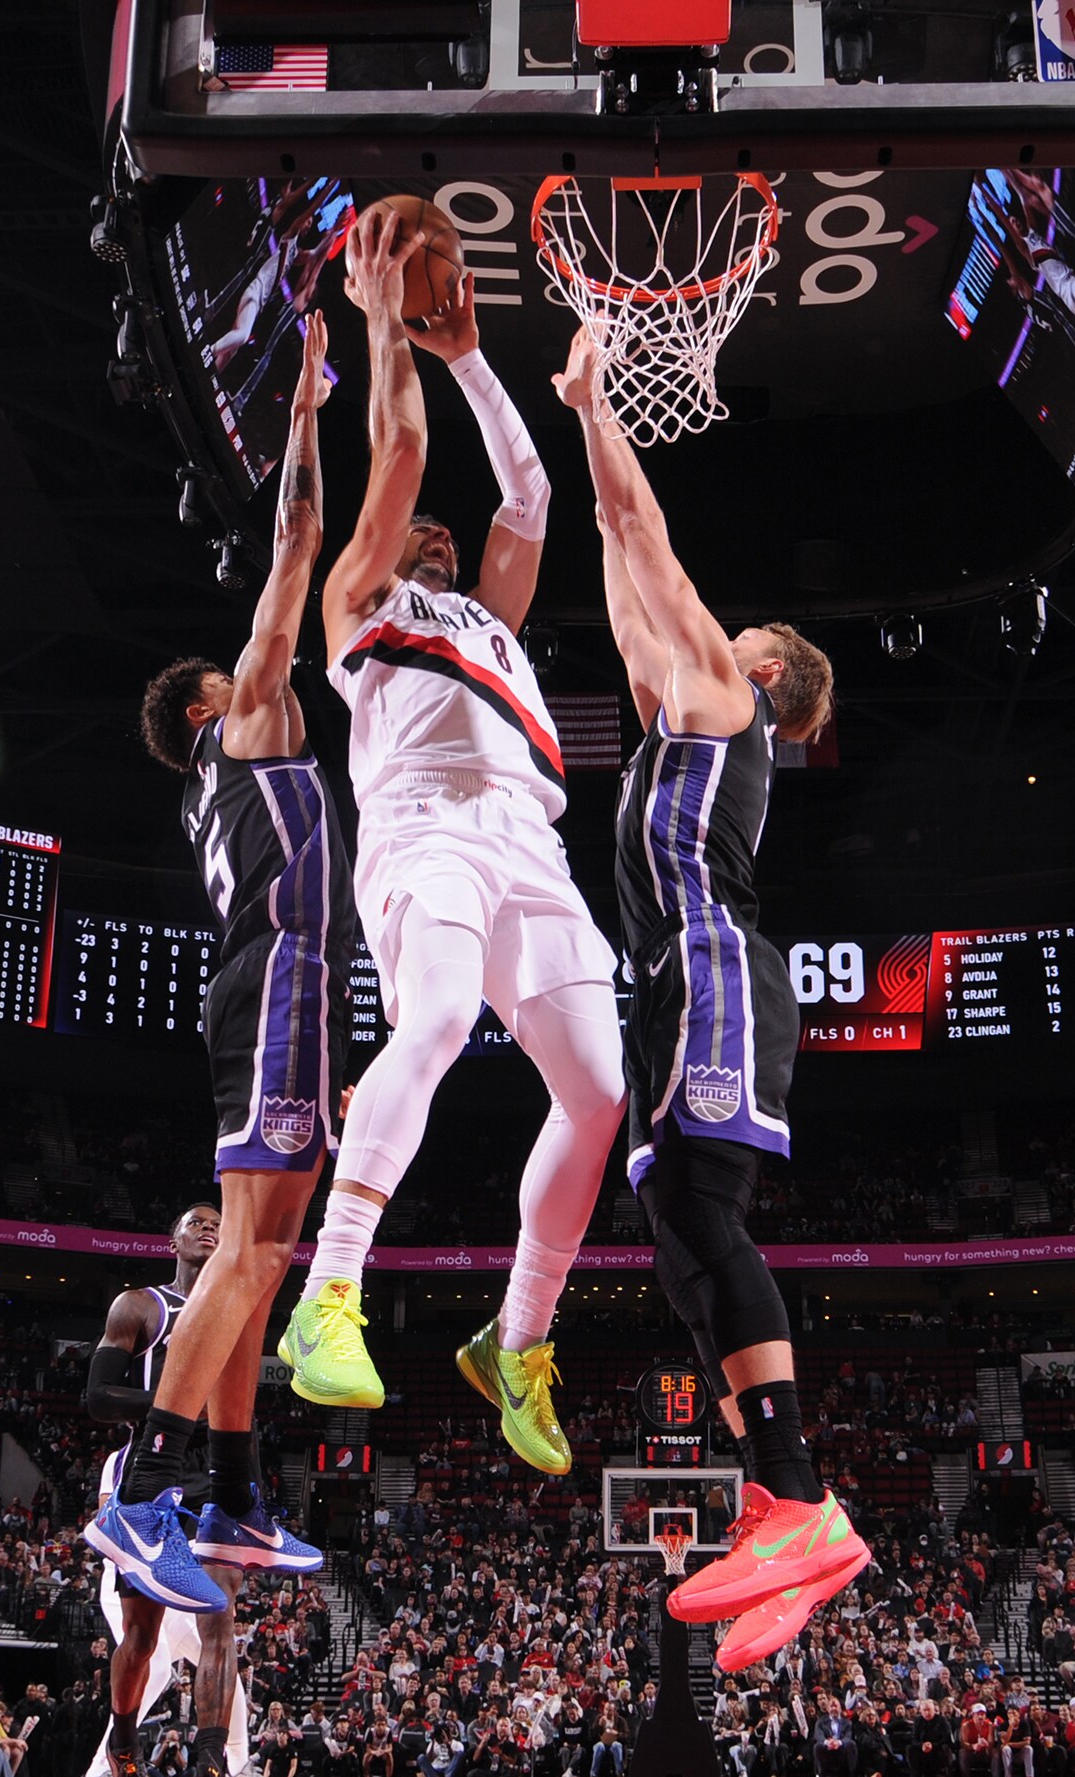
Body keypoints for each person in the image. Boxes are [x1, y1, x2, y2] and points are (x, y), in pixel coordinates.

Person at [276, 203, 627, 1475]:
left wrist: (471, 350)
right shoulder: (361, 599)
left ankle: (517, 1339)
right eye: (417, 528)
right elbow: (403, 458)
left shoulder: (491, 620)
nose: (433, 534)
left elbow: (530, 491)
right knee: (429, 1022)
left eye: (439, 537)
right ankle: (331, 1294)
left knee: (598, 1092)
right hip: (420, 828)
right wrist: (387, 335)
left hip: (531, 848)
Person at [551, 323, 860, 1674]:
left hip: (718, 975)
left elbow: (644, 529)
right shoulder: (683, 710)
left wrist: (588, 408)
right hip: (674, 988)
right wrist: (607, 501)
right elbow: (629, 578)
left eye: (732, 641)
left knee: (700, 1212)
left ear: (768, 672)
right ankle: (791, 1507)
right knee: (676, 1238)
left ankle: (801, 1505)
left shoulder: (733, 697)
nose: (701, 639)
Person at [119, 310, 343, 1607]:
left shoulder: (237, 769)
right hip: (275, 987)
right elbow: (297, 543)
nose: (266, 669)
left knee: (271, 1251)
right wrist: (307, 405)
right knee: (252, 1252)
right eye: (243, 669)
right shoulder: (243, 722)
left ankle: (237, 1497)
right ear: (213, 701)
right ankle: (147, 1494)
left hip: (276, 989)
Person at [77, 1205, 251, 1777]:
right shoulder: (140, 1305)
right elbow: (100, 1397)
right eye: (197, 1221)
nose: (210, 1227)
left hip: (214, 1470)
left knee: (221, 1615)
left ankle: (209, 1758)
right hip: (152, 1463)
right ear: (172, 1239)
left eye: (220, 1224)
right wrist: (175, 1405)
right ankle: (123, 1739)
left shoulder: (239, 1311)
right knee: (141, 1635)